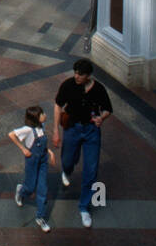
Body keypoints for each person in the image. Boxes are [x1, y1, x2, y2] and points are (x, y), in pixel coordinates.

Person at [53, 58, 113, 227]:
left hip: (91, 131)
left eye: (80, 74)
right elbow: (58, 105)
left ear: (88, 75)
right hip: (72, 129)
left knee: (91, 170)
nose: (77, 76)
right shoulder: (68, 85)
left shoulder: (99, 89)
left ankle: (84, 207)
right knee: (67, 160)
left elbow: (108, 109)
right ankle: (67, 170)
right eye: (75, 73)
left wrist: (101, 118)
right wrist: (56, 130)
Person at [9, 105, 56, 233]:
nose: (45, 115)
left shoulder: (42, 127)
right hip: (32, 161)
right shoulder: (28, 130)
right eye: (42, 114)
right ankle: (21, 191)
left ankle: (40, 217)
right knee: (30, 187)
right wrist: (23, 149)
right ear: (36, 117)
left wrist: (50, 153)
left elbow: (43, 145)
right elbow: (11, 135)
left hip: (43, 161)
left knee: (42, 189)